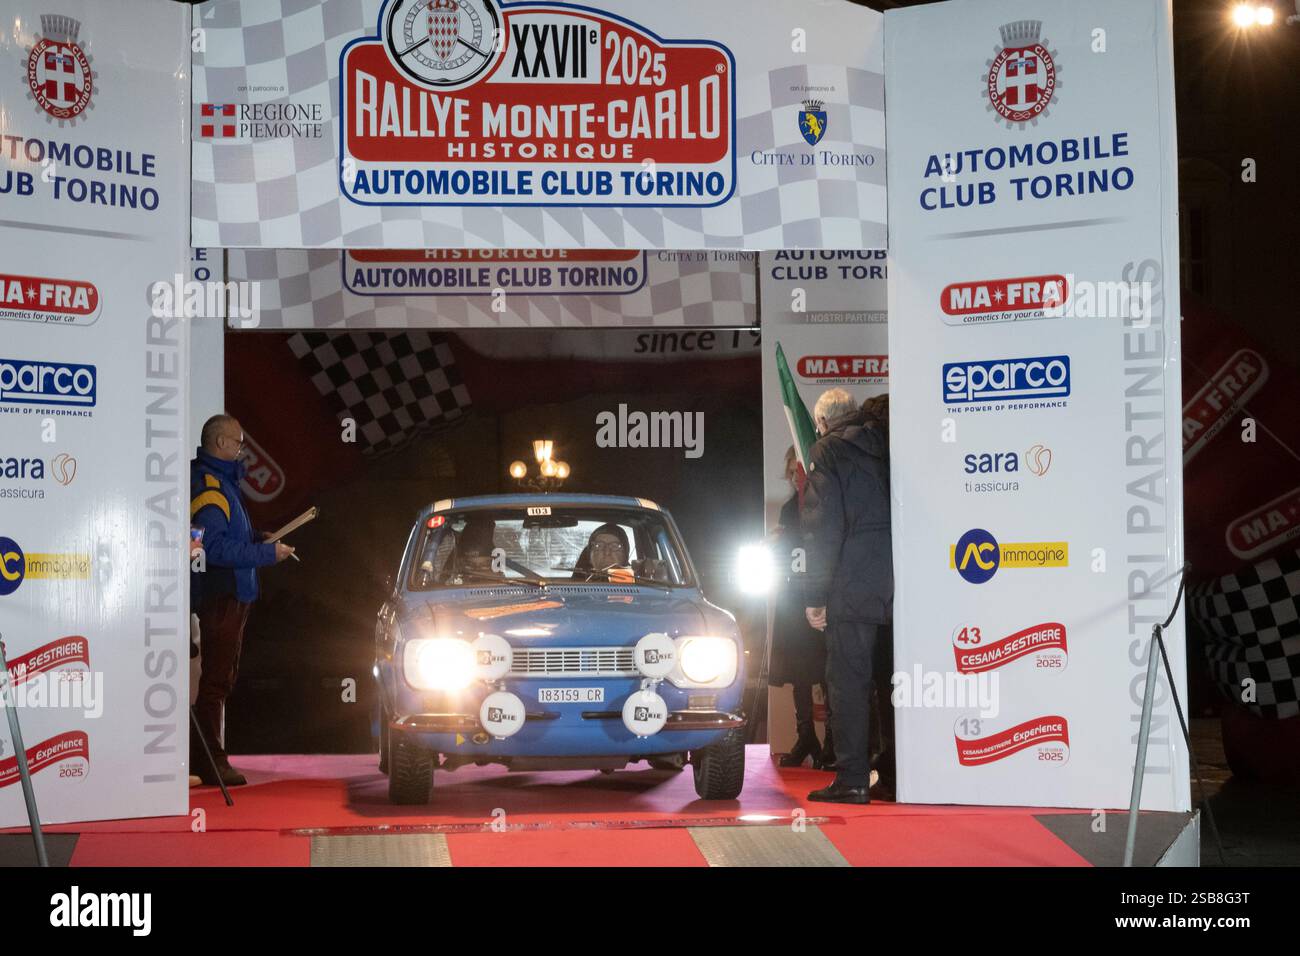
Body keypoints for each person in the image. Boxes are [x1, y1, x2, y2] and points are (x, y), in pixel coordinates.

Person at [190, 414, 294, 786]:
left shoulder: (223, 483)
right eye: (237, 443)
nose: (241, 450)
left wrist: (257, 539)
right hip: (221, 595)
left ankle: (206, 756)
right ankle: (207, 760)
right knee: (215, 682)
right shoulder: (210, 488)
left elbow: (229, 537)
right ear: (220, 444)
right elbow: (213, 547)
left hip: (232, 595)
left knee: (221, 679)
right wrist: (266, 555)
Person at [801, 389, 894, 804]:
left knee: (848, 683)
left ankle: (854, 779)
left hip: (852, 584)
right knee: (897, 683)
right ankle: (896, 773)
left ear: (822, 422)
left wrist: (815, 595)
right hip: (902, 581)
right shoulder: (893, 440)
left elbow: (823, 530)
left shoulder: (828, 451)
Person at [768, 446, 830, 768]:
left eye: (800, 470)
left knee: (827, 670)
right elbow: (786, 560)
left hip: (820, 598)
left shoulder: (825, 506)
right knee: (798, 671)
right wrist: (775, 548)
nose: (795, 477)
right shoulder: (788, 510)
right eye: (791, 471)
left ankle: (832, 742)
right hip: (793, 600)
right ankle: (805, 737)